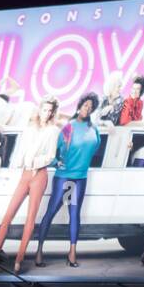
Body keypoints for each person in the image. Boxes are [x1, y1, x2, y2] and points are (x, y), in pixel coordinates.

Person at [0, 97, 60, 274]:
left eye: (50, 111)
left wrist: (35, 164)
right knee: (7, 216)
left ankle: (19, 261)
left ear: (52, 113)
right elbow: (20, 152)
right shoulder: (29, 129)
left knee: (30, 218)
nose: (47, 113)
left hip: (39, 174)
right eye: (44, 109)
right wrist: (21, 164)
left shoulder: (53, 131)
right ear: (39, 110)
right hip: (25, 174)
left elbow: (51, 155)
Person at [35, 93, 102, 268]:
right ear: (79, 106)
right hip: (64, 176)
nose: (87, 109)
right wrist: (59, 163)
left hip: (81, 177)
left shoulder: (94, 129)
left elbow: (96, 149)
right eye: (85, 105)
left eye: (91, 107)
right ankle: (39, 250)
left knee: (74, 215)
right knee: (50, 212)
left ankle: (72, 253)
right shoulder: (68, 128)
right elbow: (54, 153)